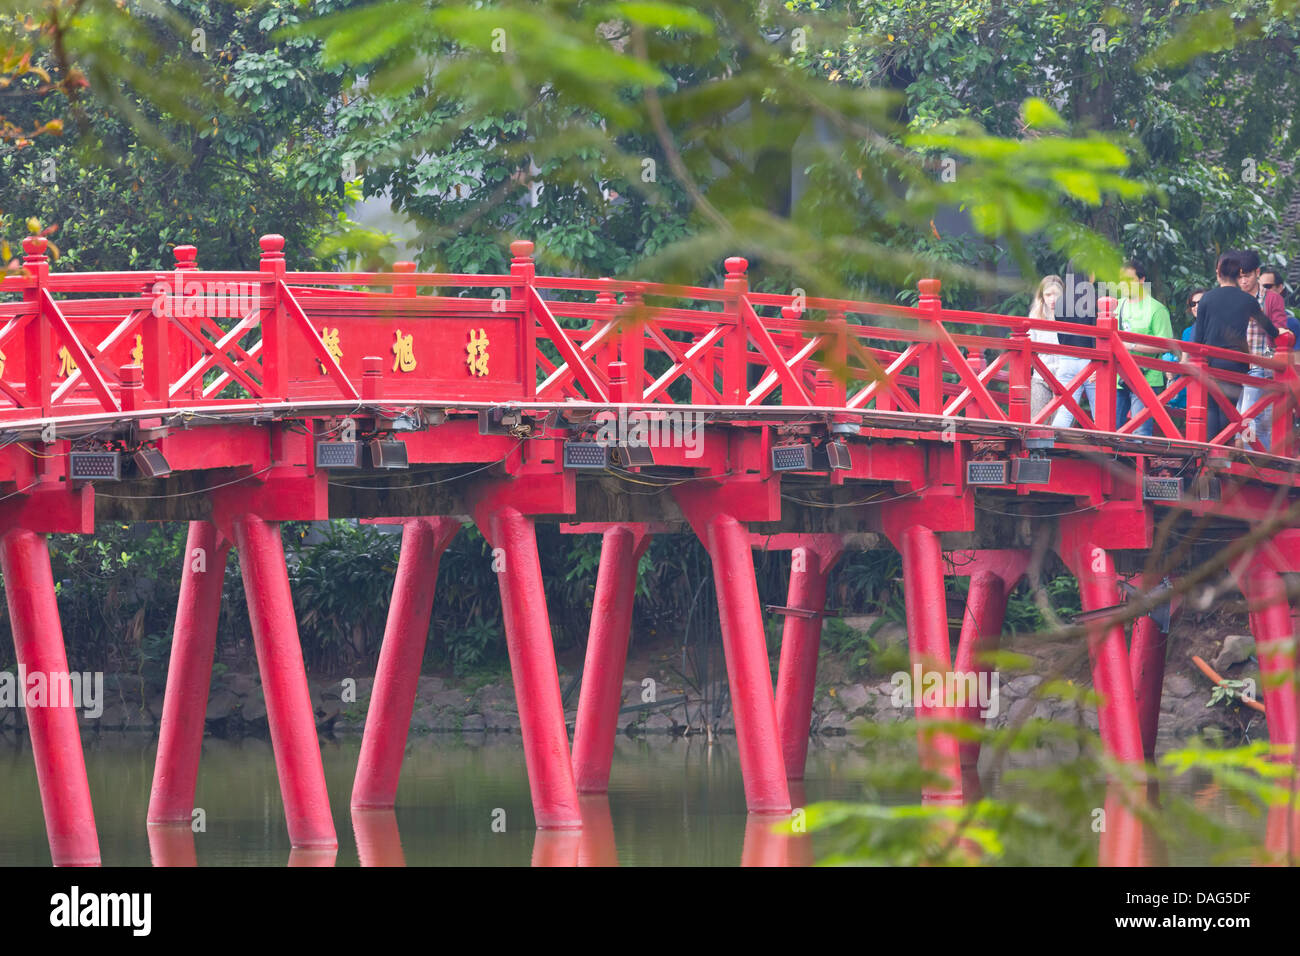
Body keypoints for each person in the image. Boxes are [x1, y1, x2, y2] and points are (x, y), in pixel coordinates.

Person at [1193, 252, 1273, 441]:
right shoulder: (1247, 300)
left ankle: (1211, 452)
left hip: (1210, 361)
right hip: (1236, 362)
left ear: (1217, 272)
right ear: (1239, 273)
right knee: (1228, 408)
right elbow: (1269, 328)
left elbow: (1198, 338)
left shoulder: (1207, 299)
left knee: (1211, 407)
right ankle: (1226, 452)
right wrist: (1282, 334)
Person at [1114, 261, 1172, 436]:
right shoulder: (1116, 306)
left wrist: (1131, 345)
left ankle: (1139, 463)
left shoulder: (1156, 309)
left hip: (1146, 377)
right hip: (1118, 376)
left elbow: (1165, 344)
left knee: (1141, 431)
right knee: (1111, 429)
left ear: (1142, 280)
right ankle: (1115, 463)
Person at [1236, 251, 1286, 450]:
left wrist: (1258, 318)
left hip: (1261, 364)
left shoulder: (1271, 299)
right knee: (1246, 414)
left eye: (1247, 275)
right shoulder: (1234, 297)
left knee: (1250, 415)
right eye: (1239, 276)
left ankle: (1253, 458)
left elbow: (1280, 330)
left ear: (1257, 272)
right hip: (1235, 364)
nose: (1243, 281)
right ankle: (1255, 456)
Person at [1051, 271, 1100, 429]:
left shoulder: (1061, 301)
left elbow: (1060, 334)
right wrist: (1099, 362)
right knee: (1099, 411)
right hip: (1090, 362)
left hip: (1066, 360)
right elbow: (1096, 335)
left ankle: (1053, 444)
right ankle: (1104, 451)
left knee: (1064, 411)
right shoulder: (1096, 298)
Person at [1027, 275, 1065, 420]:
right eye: (1048, 295)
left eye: (1056, 294)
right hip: (1041, 376)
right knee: (1036, 421)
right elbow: (1030, 347)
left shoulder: (1069, 315)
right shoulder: (1035, 315)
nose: (1052, 299)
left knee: (1059, 427)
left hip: (1064, 377)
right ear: (1042, 296)